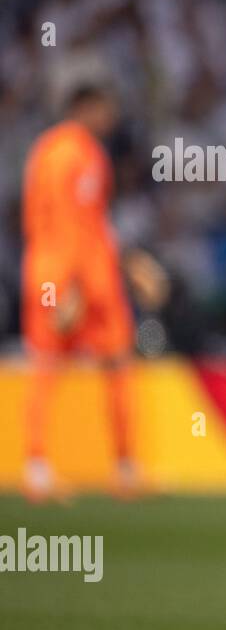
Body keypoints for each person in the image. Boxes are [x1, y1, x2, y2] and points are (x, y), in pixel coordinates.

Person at [22, 83, 165, 502]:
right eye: (106, 108)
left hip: (66, 274)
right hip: (74, 278)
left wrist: (125, 261)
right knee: (68, 366)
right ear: (85, 107)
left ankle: (53, 468)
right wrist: (71, 288)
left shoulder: (53, 151)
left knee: (68, 367)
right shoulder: (76, 154)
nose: (111, 117)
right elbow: (71, 227)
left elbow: (87, 222)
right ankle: (110, 469)